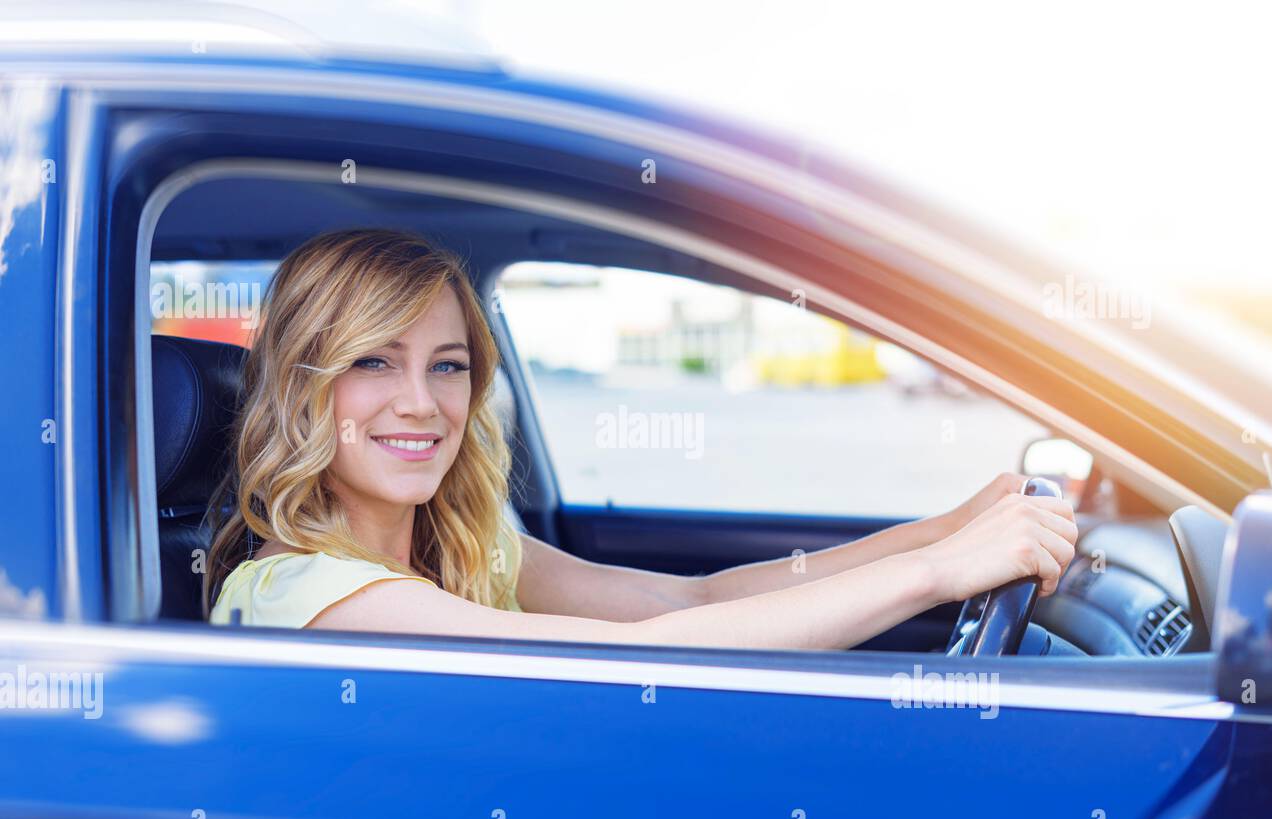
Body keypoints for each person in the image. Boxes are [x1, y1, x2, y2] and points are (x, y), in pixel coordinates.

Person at [206, 228, 1078, 650]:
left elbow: (687, 606)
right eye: (373, 362)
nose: (422, 403)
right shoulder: (305, 593)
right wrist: (937, 574)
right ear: (303, 384)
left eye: (447, 365)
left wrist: (943, 529)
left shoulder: (462, 551)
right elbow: (646, 654)